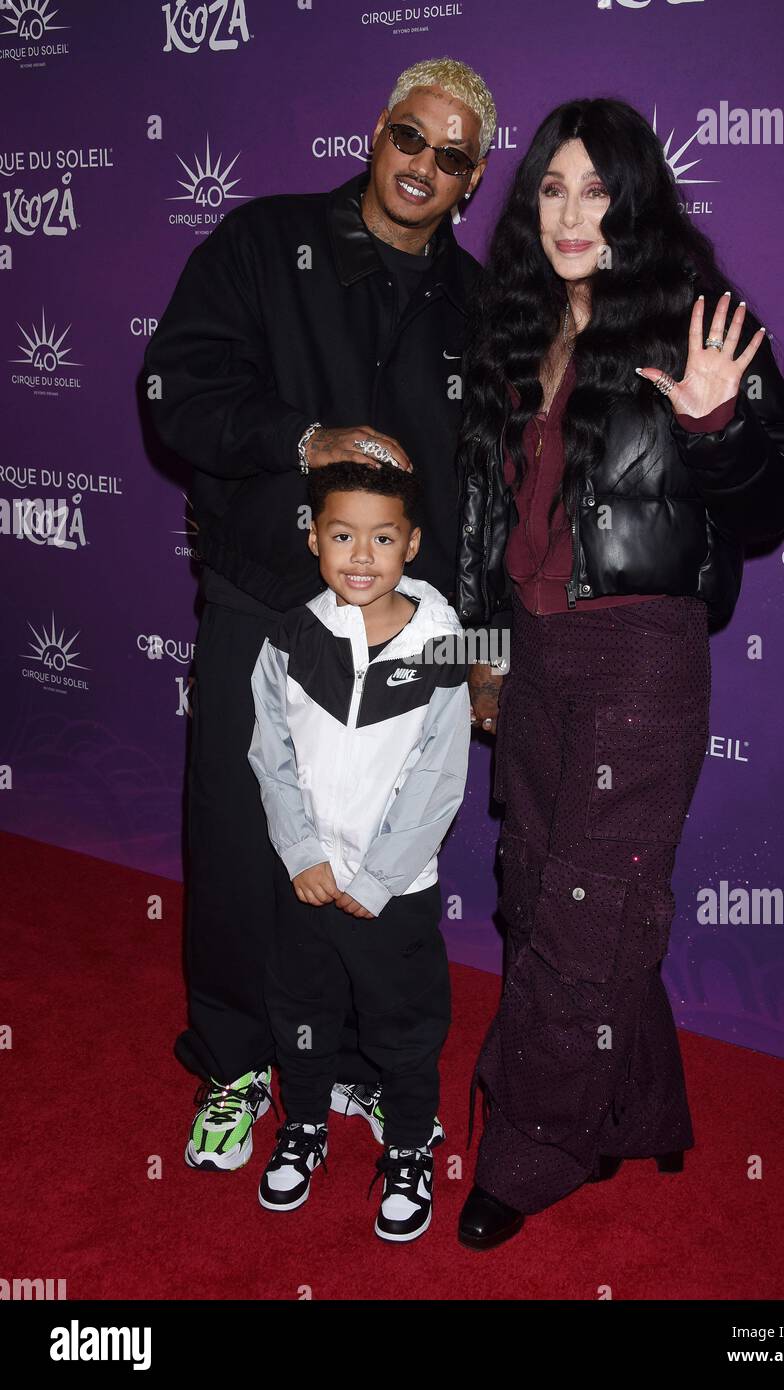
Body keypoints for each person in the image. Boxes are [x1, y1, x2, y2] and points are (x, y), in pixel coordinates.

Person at [453, 97, 784, 1249]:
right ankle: (640, 1102)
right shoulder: (514, 328)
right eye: (552, 188)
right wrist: (479, 657)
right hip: (532, 649)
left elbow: (778, 502)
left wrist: (717, 429)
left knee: (584, 906)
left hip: (642, 652)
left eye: (597, 188)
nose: (572, 212)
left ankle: (536, 1146)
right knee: (537, 890)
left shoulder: (699, 323)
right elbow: (477, 517)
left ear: (636, 196)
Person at [142, 58, 496, 1171]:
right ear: (376, 130)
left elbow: (491, 500)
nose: (421, 166)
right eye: (409, 137)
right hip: (268, 604)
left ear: (472, 180)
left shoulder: (484, 308)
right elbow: (176, 392)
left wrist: (485, 653)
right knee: (246, 843)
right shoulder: (262, 244)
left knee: (377, 851)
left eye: (451, 156)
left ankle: (342, 1054)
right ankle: (240, 1061)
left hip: (407, 639)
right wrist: (303, 439)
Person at [246, 461, 470, 1241]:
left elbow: (442, 778)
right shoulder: (288, 635)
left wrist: (378, 879)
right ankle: (302, 1127)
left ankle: (409, 1147)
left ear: (411, 544)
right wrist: (300, 852)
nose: (362, 556)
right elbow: (268, 756)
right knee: (300, 1013)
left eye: (383, 537)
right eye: (342, 535)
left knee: (401, 1025)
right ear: (314, 539)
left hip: (395, 892)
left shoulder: (444, 644)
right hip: (304, 878)